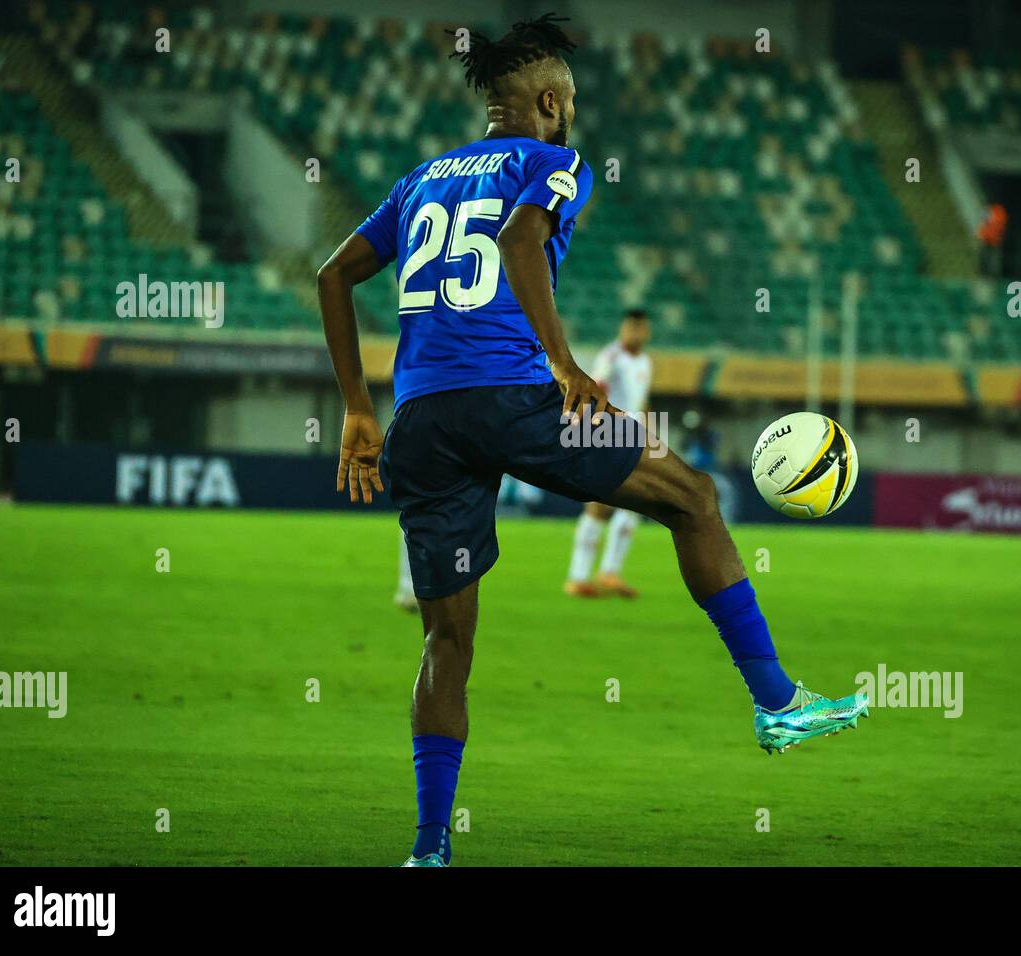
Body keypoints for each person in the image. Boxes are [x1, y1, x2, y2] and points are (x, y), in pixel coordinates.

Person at [315, 14, 869, 868]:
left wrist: (357, 405)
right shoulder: (552, 161)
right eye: (568, 98)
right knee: (693, 498)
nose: (573, 111)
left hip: (421, 422)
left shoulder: (421, 178)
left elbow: (334, 274)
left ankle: (429, 848)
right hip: (513, 395)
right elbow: (518, 238)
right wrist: (563, 362)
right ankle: (776, 701)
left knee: (446, 643)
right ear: (548, 100)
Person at [564, 308, 652, 598]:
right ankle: (577, 577)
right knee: (599, 506)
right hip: (608, 434)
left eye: (640, 329)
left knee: (635, 503)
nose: (635, 334)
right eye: (631, 328)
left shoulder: (645, 362)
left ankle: (609, 572)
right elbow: (594, 391)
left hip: (634, 436)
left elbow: (641, 403)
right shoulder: (610, 357)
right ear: (623, 329)